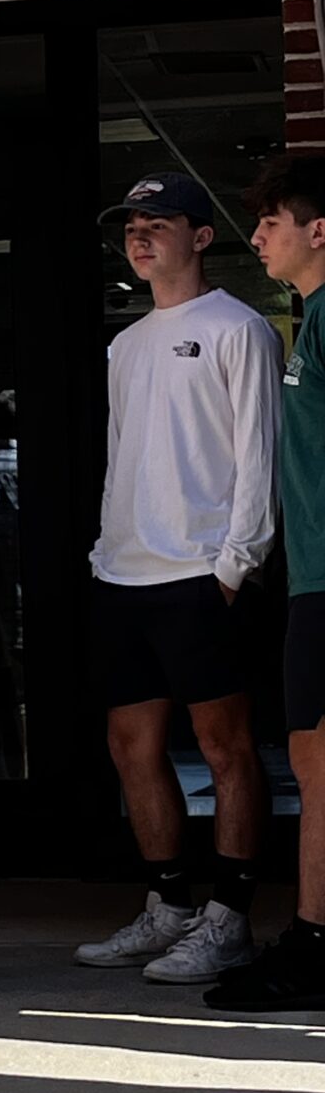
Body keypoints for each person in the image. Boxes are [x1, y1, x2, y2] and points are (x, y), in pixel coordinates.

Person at [77, 172, 281, 983]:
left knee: (226, 747)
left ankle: (228, 918)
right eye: (131, 223)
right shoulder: (125, 344)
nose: (140, 233)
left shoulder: (240, 329)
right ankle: (169, 905)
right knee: (132, 746)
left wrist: (237, 563)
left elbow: (260, 450)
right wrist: (104, 549)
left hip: (205, 571)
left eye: (159, 221)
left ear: (202, 235)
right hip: (124, 572)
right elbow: (120, 455)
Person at [208, 157, 325, 1011]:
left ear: (319, 230)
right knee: (314, 760)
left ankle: (317, 945)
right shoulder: (310, 317)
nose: (259, 238)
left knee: (319, 764)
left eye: (273, 221)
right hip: (311, 578)